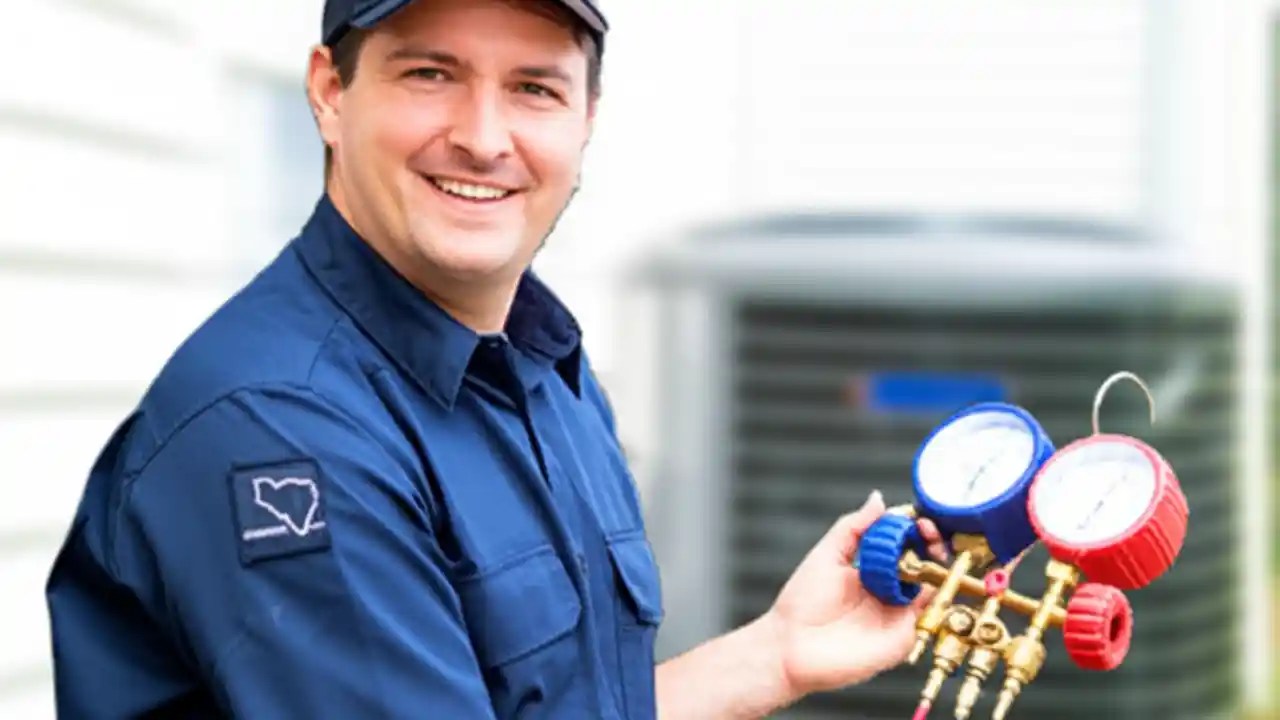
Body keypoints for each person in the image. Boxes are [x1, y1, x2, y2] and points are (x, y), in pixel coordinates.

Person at [45, 0, 946, 717]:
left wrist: (773, 653)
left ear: (588, 116)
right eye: (431, 73)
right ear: (329, 89)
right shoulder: (281, 429)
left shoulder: (539, 366)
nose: (483, 136)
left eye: (534, 88)